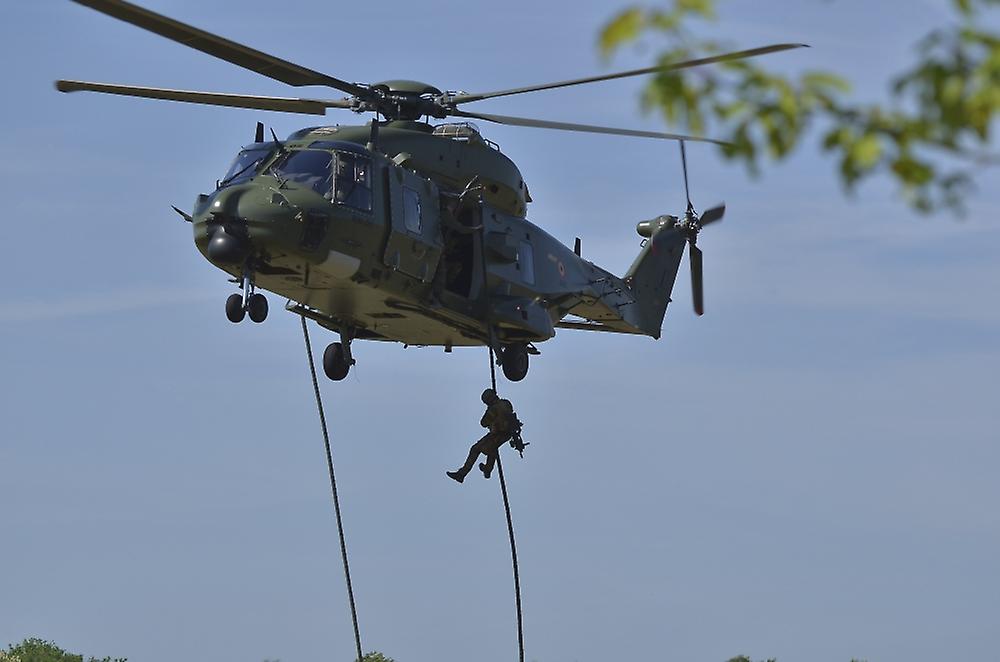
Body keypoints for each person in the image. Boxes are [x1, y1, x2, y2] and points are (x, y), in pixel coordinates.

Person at [447, 389, 518, 483]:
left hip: (499, 433)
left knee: (478, 449)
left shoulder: (494, 408)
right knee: (491, 449)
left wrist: (490, 412)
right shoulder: (506, 403)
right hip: (504, 433)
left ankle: (463, 474)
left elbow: (483, 423)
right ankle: (487, 469)